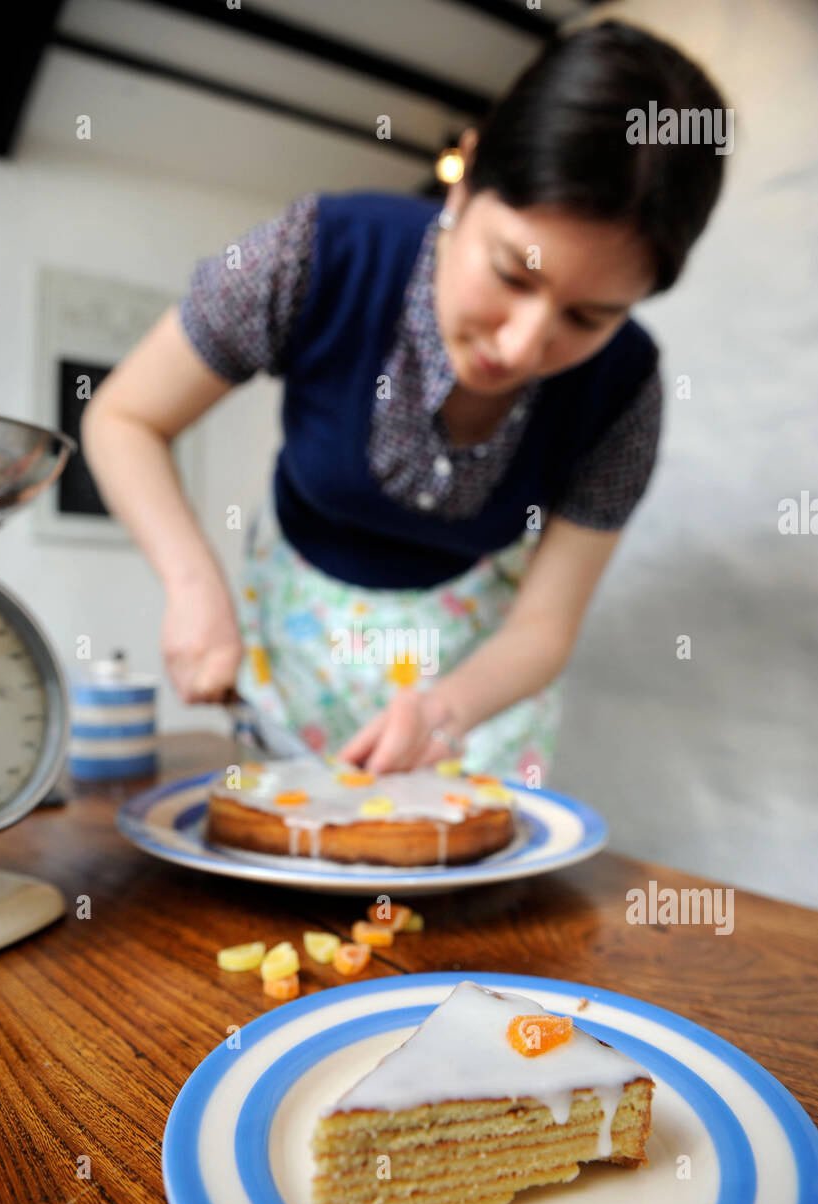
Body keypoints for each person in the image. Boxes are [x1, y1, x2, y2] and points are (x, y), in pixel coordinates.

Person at [82, 20, 727, 781]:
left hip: (471, 685)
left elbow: (544, 627)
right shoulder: (314, 250)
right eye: (512, 276)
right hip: (293, 649)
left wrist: (441, 711)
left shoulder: (626, 391)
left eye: (587, 318)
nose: (521, 347)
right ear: (467, 173)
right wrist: (193, 585)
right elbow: (123, 416)